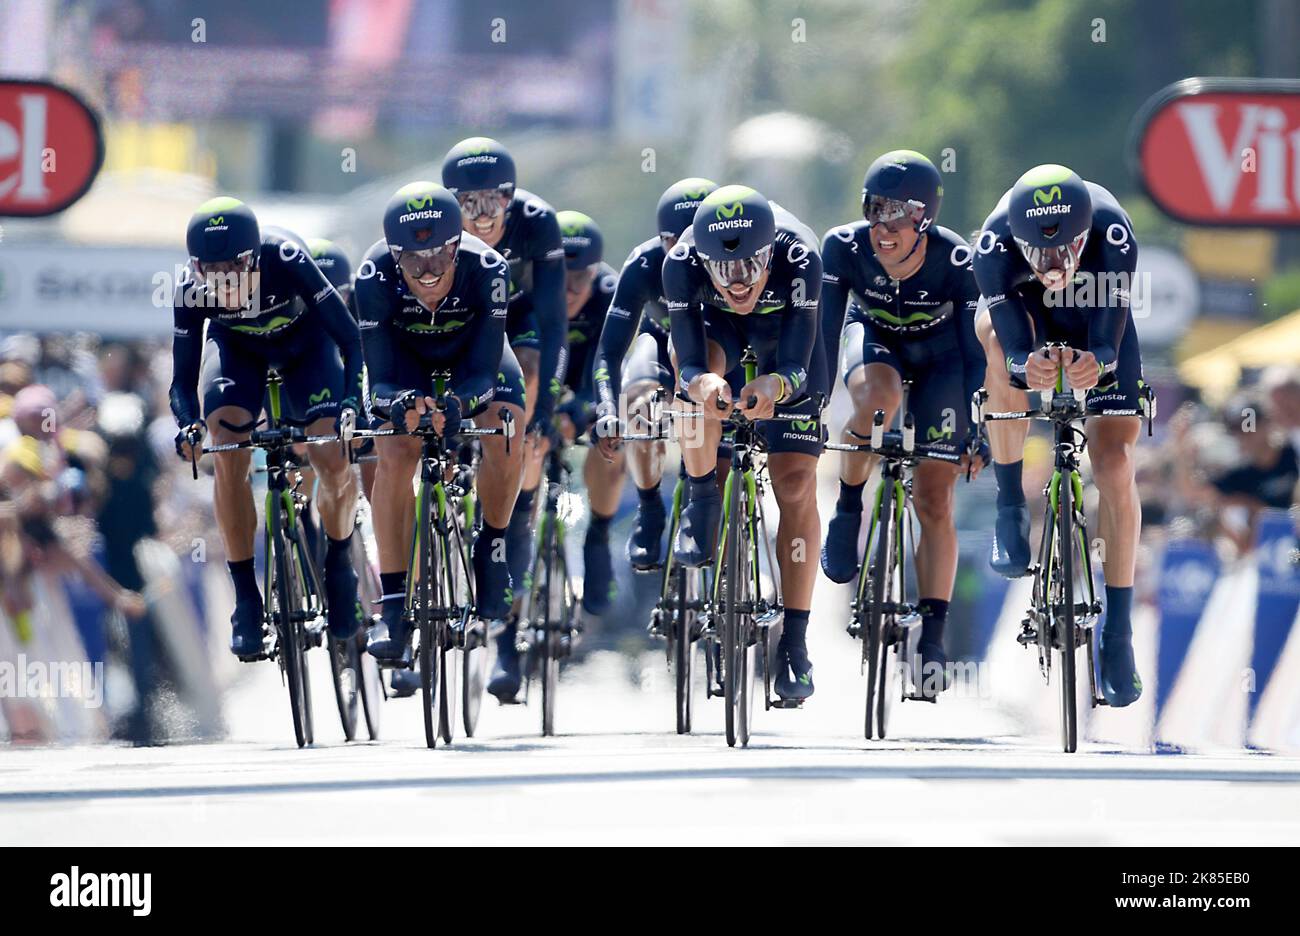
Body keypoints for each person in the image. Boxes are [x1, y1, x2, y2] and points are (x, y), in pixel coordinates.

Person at [974, 165, 1145, 707]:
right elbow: (1006, 329)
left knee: (1114, 462)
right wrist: (1026, 366)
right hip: (1026, 323)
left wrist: (1105, 360)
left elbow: (1113, 320)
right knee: (994, 349)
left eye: (1064, 251)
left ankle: (1118, 634)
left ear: (1085, 233)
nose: (1052, 266)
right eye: (1038, 254)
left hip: (1097, 321)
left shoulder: (1113, 232)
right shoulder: (992, 245)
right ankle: (1010, 508)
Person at [818, 150, 986, 695]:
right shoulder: (842, 248)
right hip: (875, 343)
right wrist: (809, 398)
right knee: (878, 398)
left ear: (925, 220)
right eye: (874, 211)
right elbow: (822, 336)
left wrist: (976, 428)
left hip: (942, 360)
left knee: (935, 499)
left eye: (897, 215)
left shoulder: (957, 262)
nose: (882, 228)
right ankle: (848, 510)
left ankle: (932, 638)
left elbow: (973, 353)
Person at [170, 197, 364, 657]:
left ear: (255, 256)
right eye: (212, 271)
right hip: (239, 353)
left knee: (330, 455)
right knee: (227, 446)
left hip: (306, 348)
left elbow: (350, 337)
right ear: (196, 267)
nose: (226, 281)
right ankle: (246, 599)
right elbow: (182, 380)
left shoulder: (286, 258)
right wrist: (187, 425)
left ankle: (339, 559)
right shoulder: (189, 290)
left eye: (236, 267)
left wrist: (354, 404)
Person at [354, 182, 526, 676]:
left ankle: (492, 546)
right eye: (414, 262)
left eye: (439, 258)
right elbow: (380, 378)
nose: (428, 274)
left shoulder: (489, 270)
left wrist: (463, 405)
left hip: (473, 360)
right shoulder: (372, 276)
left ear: (457, 245)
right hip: (403, 366)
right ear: (394, 256)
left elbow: (485, 370)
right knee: (394, 451)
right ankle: (392, 608)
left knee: (507, 427)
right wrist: (398, 404)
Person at [664, 184, 827, 702]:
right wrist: (702, 383)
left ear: (770, 253)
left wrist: (775, 385)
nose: (738, 284)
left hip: (786, 344)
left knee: (795, 482)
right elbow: (688, 360)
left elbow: (800, 364)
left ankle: (795, 644)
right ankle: (702, 496)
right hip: (720, 337)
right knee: (696, 381)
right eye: (724, 271)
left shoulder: (801, 254)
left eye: (750, 268)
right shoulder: (682, 262)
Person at [592, 178, 718, 569]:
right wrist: (608, 409)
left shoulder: (734, 258)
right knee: (638, 400)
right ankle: (650, 508)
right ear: (659, 240)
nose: (683, 253)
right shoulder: (644, 263)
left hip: (718, 347)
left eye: (694, 241)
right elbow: (609, 352)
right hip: (663, 340)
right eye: (672, 243)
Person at [549, 210, 621, 616]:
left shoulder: (610, 292)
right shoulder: (525, 289)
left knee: (615, 437)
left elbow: (609, 367)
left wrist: (583, 411)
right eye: (561, 277)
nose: (571, 289)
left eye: (581, 278)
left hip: (593, 375)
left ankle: (599, 533)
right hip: (543, 371)